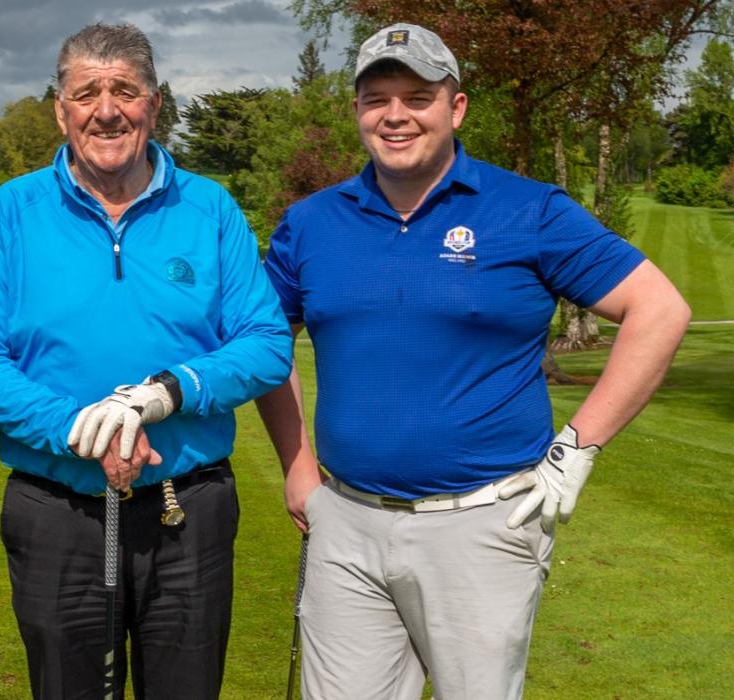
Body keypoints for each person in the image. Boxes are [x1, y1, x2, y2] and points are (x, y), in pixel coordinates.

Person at [255, 22, 691, 700]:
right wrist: (295, 461)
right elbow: (264, 341)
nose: (395, 115)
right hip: (344, 519)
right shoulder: (313, 222)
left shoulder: (528, 209)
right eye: (377, 98)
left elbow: (659, 311)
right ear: (358, 112)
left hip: (483, 525)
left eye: (417, 96)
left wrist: (577, 447)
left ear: (455, 108)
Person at [0, 22, 291, 700]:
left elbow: (266, 344)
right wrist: (80, 426)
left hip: (184, 510)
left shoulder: (210, 208)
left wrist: (168, 392)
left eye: (125, 91)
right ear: (61, 108)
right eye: (86, 93)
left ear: (155, 104)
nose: (106, 110)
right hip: (57, 512)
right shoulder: (12, 211)